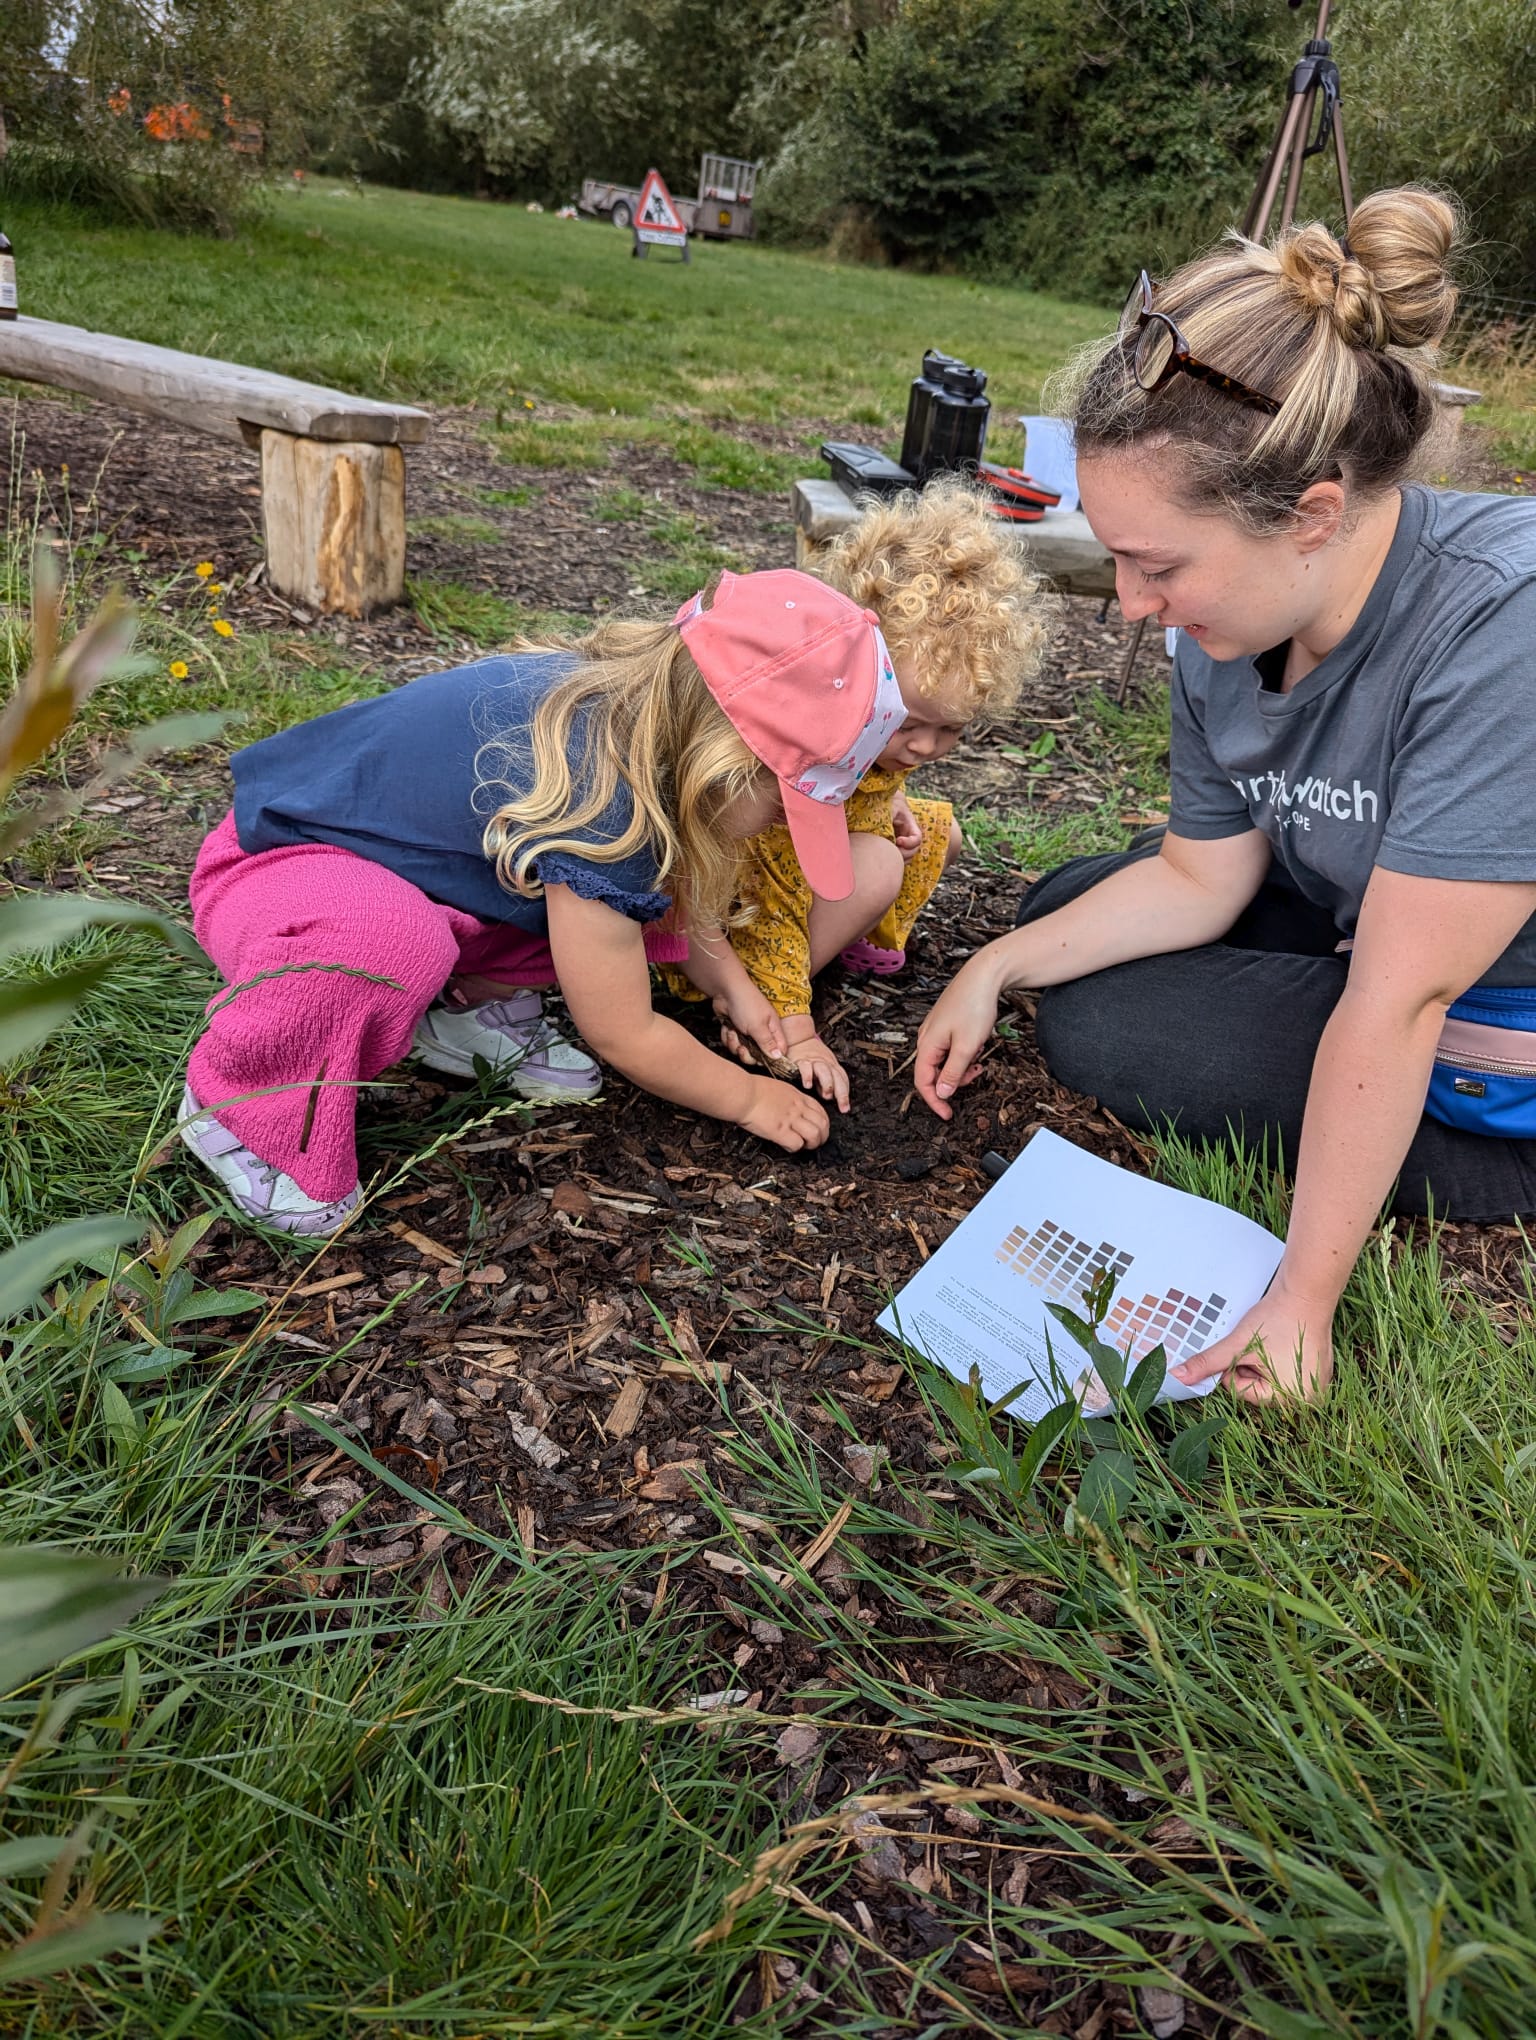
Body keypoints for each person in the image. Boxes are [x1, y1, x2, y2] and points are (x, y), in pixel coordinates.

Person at [914, 185, 1536, 1405]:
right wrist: (989, 966)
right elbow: (1204, 873)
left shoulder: (1502, 625)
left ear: (1311, 516)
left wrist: (1297, 1307)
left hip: (1494, 1015)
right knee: (1065, 907)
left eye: (1158, 567)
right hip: (1369, 913)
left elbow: (1405, 998)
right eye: (1115, 559)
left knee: (1112, 1026)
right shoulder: (1227, 631)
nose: (1132, 605)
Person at [179, 568, 911, 1235]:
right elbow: (622, 1033)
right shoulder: (606, 800)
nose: (779, 827)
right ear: (725, 759)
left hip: (417, 874)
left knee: (614, 908)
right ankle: (246, 1105)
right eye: (782, 806)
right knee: (395, 943)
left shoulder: (639, 724)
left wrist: (738, 991)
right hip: (277, 866)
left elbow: (666, 899)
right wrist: (750, 1100)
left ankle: (456, 1010)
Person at [661, 482, 1053, 1107]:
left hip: (797, 873)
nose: (925, 747)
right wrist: (794, 1025)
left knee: (937, 836)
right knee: (876, 869)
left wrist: (888, 798)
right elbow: (773, 885)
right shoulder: (806, 757)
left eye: (951, 730)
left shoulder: (875, 726)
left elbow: (880, 786)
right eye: (909, 724)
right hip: (721, 912)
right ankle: (754, 1001)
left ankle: (840, 942)